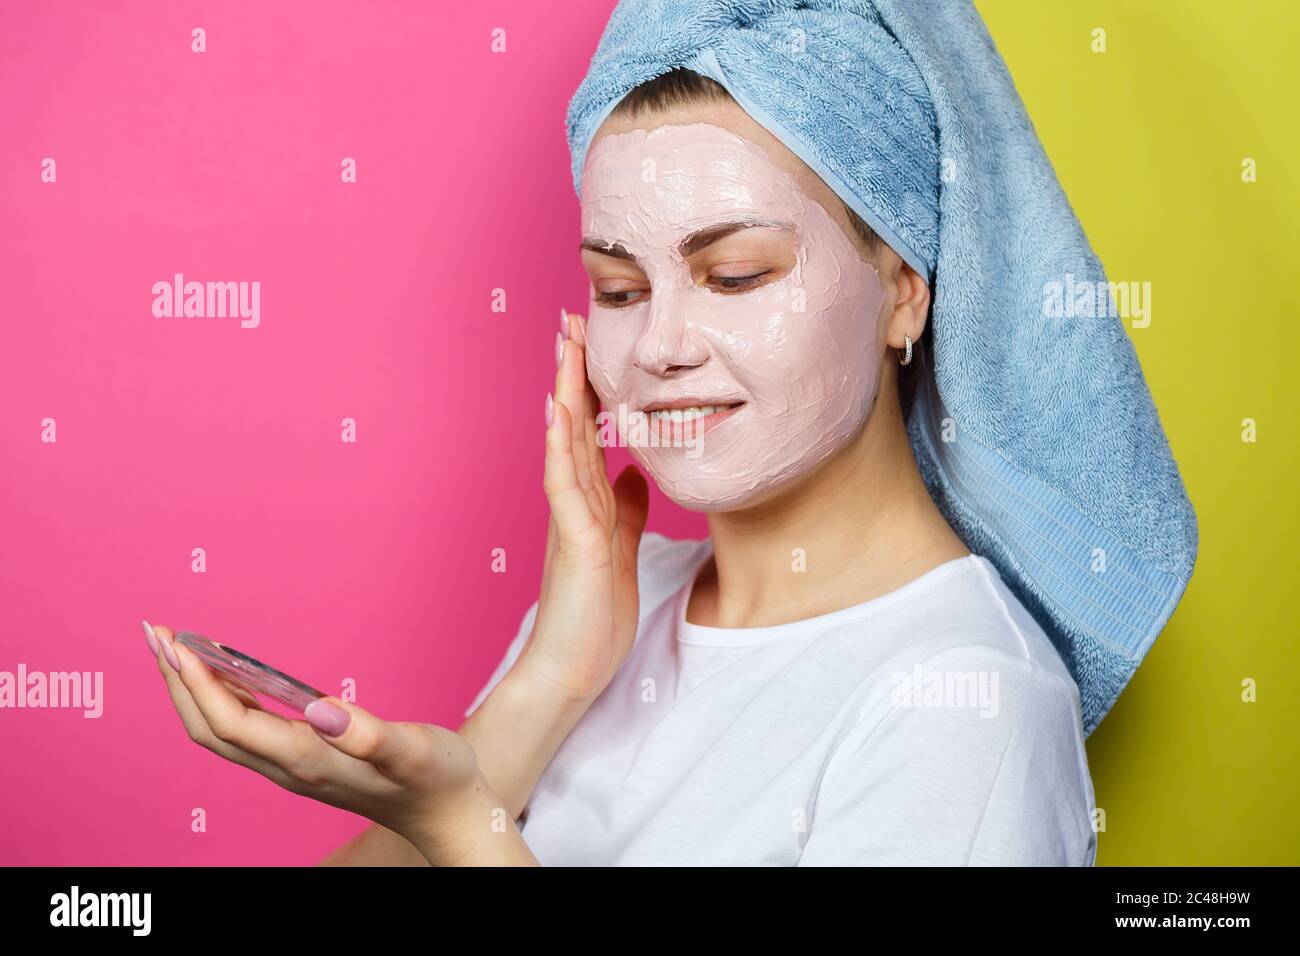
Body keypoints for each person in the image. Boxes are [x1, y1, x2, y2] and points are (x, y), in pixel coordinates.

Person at [143, 0, 1197, 867]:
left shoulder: (964, 705)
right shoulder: (610, 611)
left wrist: (468, 830)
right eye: (616, 285)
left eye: (735, 273)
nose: (657, 345)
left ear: (904, 293)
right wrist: (545, 681)